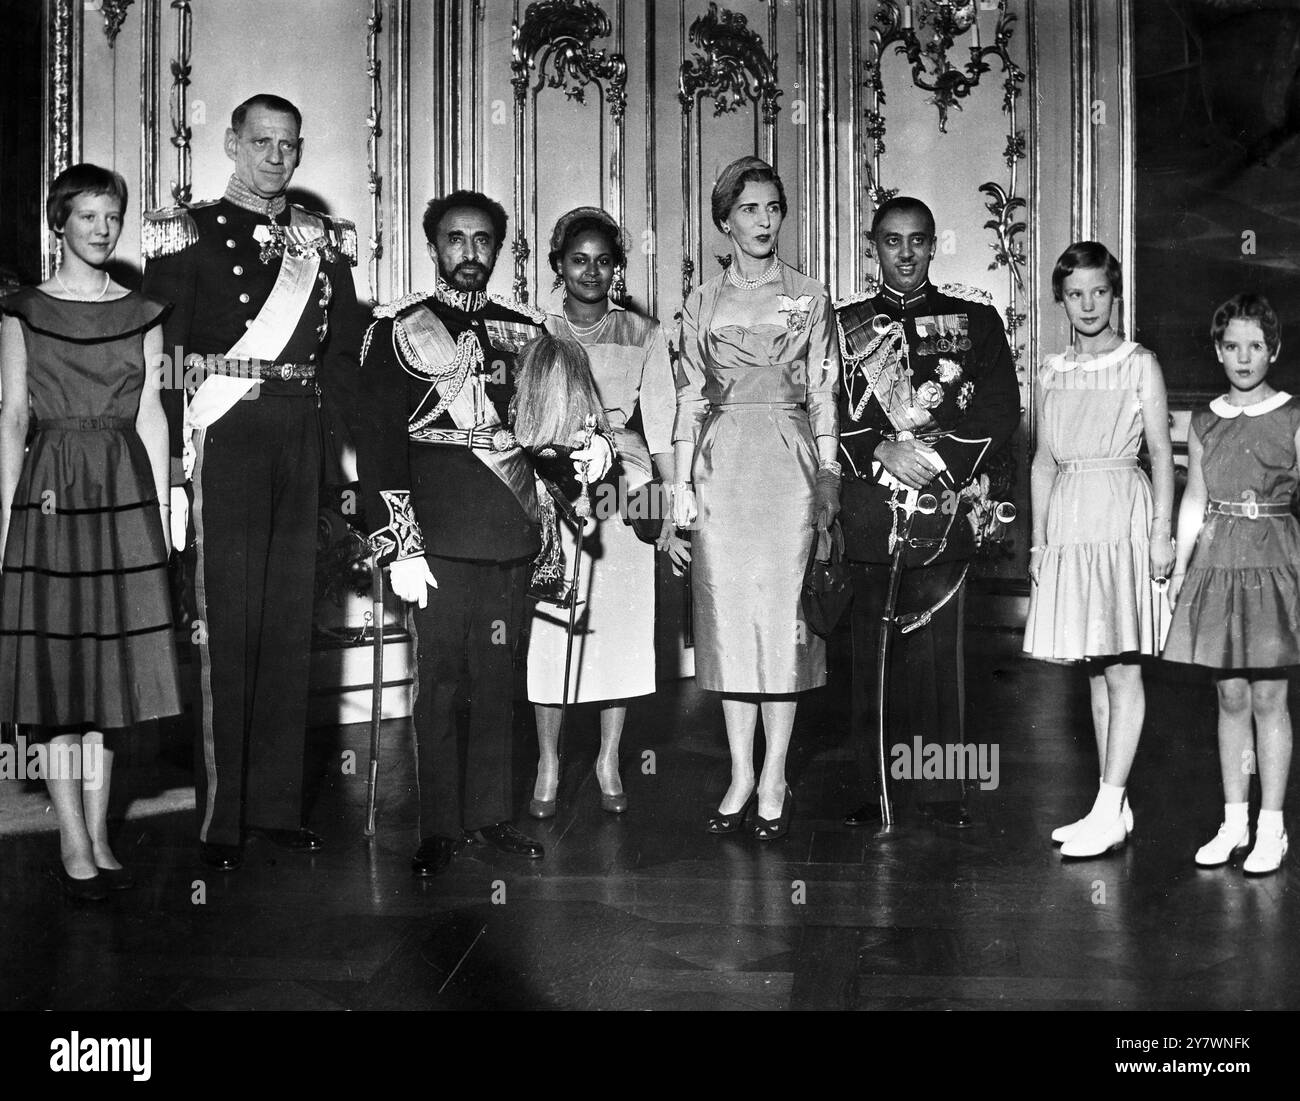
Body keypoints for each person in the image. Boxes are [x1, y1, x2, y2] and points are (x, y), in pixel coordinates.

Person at [355, 190, 613, 877]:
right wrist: (399, 539)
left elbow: (541, 438)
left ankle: (492, 813)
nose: (469, 253)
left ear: (498, 249)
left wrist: (585, 460)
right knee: (438, 681)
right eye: (454, 239)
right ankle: (439, 822)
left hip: (507, 527)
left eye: (482, 241)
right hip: (435, 532)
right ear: (434, 245)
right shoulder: (396, 328)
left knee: (499, 678)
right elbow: (379, 445)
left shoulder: (527, 331)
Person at [140, 93, 363, 871]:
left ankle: (272, 805)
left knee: (288, 618)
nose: (275, 156)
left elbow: (341, 355)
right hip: (227, 432)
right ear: (231, 143)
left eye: (288, 145)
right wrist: (172, 464)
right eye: (261, 142)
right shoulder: (188, 234)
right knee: (226, 624)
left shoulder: (319, 242)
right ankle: (222, 817)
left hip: (301, 429)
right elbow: (166, 359)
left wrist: (348, 456)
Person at [0, 164, 181, 900]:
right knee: (58, 677)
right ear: (59, 224)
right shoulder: (22, 310)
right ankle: (71, 835)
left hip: (124, 491)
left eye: (113, 216)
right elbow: (12, 416)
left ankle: (101, 830)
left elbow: (152, 415)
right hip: (48, 492)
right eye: (88, 216)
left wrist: (168, 511)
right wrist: (5, 520)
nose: (103, 229)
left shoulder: (144, 310)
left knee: (108, 681)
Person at [835, 196, 1019, 829]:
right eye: (891, 241)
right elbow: (818, 410)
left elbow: (1000, 412)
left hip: (946, 500)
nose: (905, 253)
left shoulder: (976, 319)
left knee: (939, 655)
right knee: (871, 654)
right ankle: (871, 788)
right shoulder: (843, 325)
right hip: (869, 505)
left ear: (933, 245)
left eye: (917, 241)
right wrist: (878, 446)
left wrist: (944, 463)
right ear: (873, 246)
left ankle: (943, 792)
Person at [672, 156, 840, 842]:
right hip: (720, 467)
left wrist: (827, 479)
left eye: (773, 207)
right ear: (724, 220)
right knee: (730, 624)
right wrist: (680, 484)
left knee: (782, 624)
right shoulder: (701, 302)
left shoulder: (810, 294)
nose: (764, 220)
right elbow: (686, 394)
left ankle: (775, 776)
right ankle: (739, 771)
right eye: (749, 209)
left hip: (790, 466)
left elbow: (825, 389)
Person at [526, 207, 685, 819]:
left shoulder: (644, 333)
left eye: (604, 261)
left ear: (618, 268)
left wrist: (668, 504)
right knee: (552, 631)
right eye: (578, 260)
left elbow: (665, 429)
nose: (591, 271)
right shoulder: (535, 329)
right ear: (558, 267)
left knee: (618, 631)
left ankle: (608, 757)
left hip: (623, 486)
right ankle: (548, 760)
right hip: (551, 486)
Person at [1023, 242, 1175, 857]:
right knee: (1094, 665)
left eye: (1100, 292)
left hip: (1123, 516)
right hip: (1070, 523)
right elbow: (1040, 462)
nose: (1089, 305)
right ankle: (1113, 804)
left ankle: (1109, 805)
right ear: (1061, 299)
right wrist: (1037, 544)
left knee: (1123, 666)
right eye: (1075, 293)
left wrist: (1162, 533)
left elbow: (1162, 453)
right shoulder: (1051, 371)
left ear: (1116, 294)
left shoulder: (1139, 363)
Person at [1165, 294, 1298, 876]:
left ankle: (1273, 826)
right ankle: (1234, 820)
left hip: (1276, 563)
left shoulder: (1294, 415)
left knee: (1270, 696)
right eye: (1232, 346)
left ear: (1273, 350)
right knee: (1230, 695)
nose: (1244, 357)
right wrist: (1179, 565)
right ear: (1218, 352)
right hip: (1219, 565)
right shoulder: (1204, 420)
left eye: (1255, 346)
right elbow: (1195, 496)